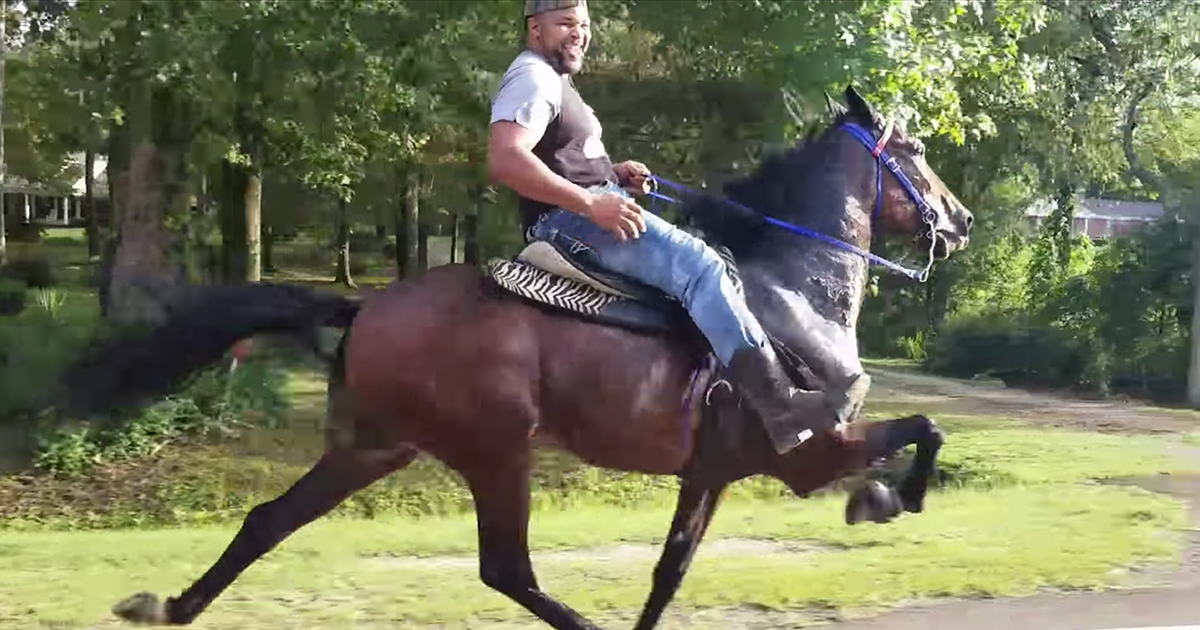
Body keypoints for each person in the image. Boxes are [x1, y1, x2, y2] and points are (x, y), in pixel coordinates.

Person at [486, 0, 870, 453]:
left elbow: (565, 158)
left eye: (584, 24)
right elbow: (507, 159)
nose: (579, 33)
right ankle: (780, 405)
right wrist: (591, 202)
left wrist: (613, 173)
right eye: (565, 23)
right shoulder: (533, 77)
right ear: (535, 29)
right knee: (702, 267)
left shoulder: (556, 82)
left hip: (590, 207)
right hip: (570, 221)